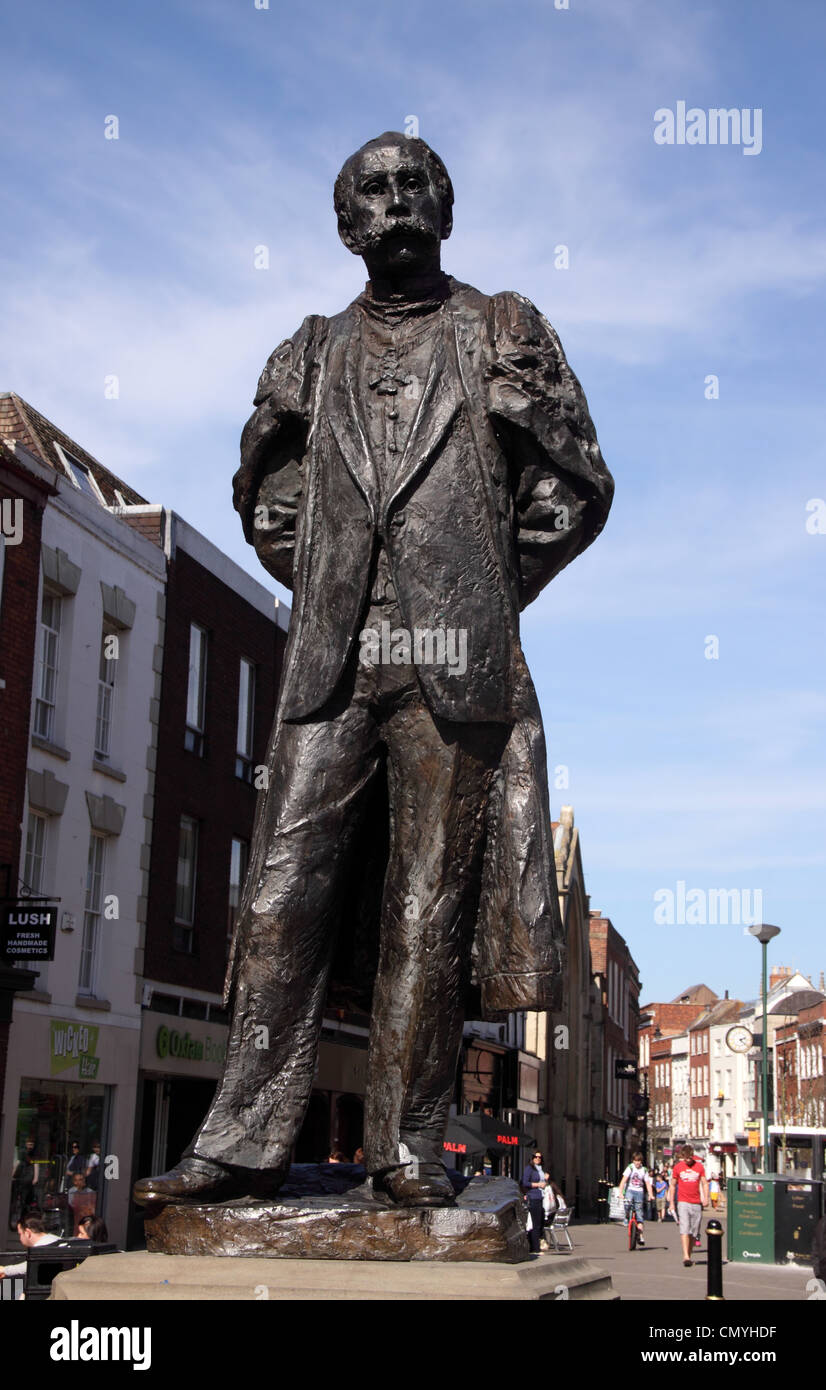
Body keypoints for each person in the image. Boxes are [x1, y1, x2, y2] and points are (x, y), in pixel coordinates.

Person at [133, 131, 613, 1215]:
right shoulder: (309, 351)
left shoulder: (501, 328)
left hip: (452, 661)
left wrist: (482, 587)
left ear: (444, 207)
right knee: (279, 894)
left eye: (413, 185)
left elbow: (574, 485)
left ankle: (406, 1145)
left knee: (427, 909)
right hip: (336, 656)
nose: (395, 203)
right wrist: (329, 582)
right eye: (373, 191)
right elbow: (264, 497)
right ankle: (243, 1139)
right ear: (346, 223)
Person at [668, 1143, 708, 1266]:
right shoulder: (678, 1167)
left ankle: (689, 1254)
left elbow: (704, 1183)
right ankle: (686, 1256)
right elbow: (673, 1185)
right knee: (684, 1228)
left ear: (692, 1156)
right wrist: (671, 1203)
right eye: (685, 1158)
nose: (688, 1160)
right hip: (683, 1202)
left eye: (689, 1158)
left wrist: (706, 1198)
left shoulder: (699, 1167)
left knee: (694, 1232)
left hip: (696, 1202)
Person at [0, 1215, 63, 1281]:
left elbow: (28, 1267)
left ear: (28, 1233)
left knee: (10, 1283)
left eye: (20, 1234)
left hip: (49, 1284)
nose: (20, 1238)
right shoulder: (56, 1239)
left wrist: (4, 1270)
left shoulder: (42, 1249)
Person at [618, 1152, 655, 1248]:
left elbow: (647, 1184)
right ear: (633, 1161)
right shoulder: (630, 1167)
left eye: (639, 1161)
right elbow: (623, 1181)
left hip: (639, 1192)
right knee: (627, 1204)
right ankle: (626, 1217)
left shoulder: (644, 1170)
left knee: (639, 1214)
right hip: (630, 1190)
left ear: (641, 1161)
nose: (637, 1163)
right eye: (635, 1161)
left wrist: (651, 1194)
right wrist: (620, 1193)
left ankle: (641, 1236)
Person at [521, 1150, 549, 1255]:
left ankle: (536, 1246)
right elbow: (525, 1182)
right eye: (535, 1157)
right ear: (532, 1158)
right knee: (535, 1223)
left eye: (539, 1157)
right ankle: (535, 1248)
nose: (538, 1159)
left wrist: (546, 1180)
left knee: (540, 1222)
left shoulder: (540, 1169)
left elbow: (543, 1184)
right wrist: (538, 1185)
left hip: (541, 1196)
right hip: (533, 1197)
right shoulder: (529, 1169)